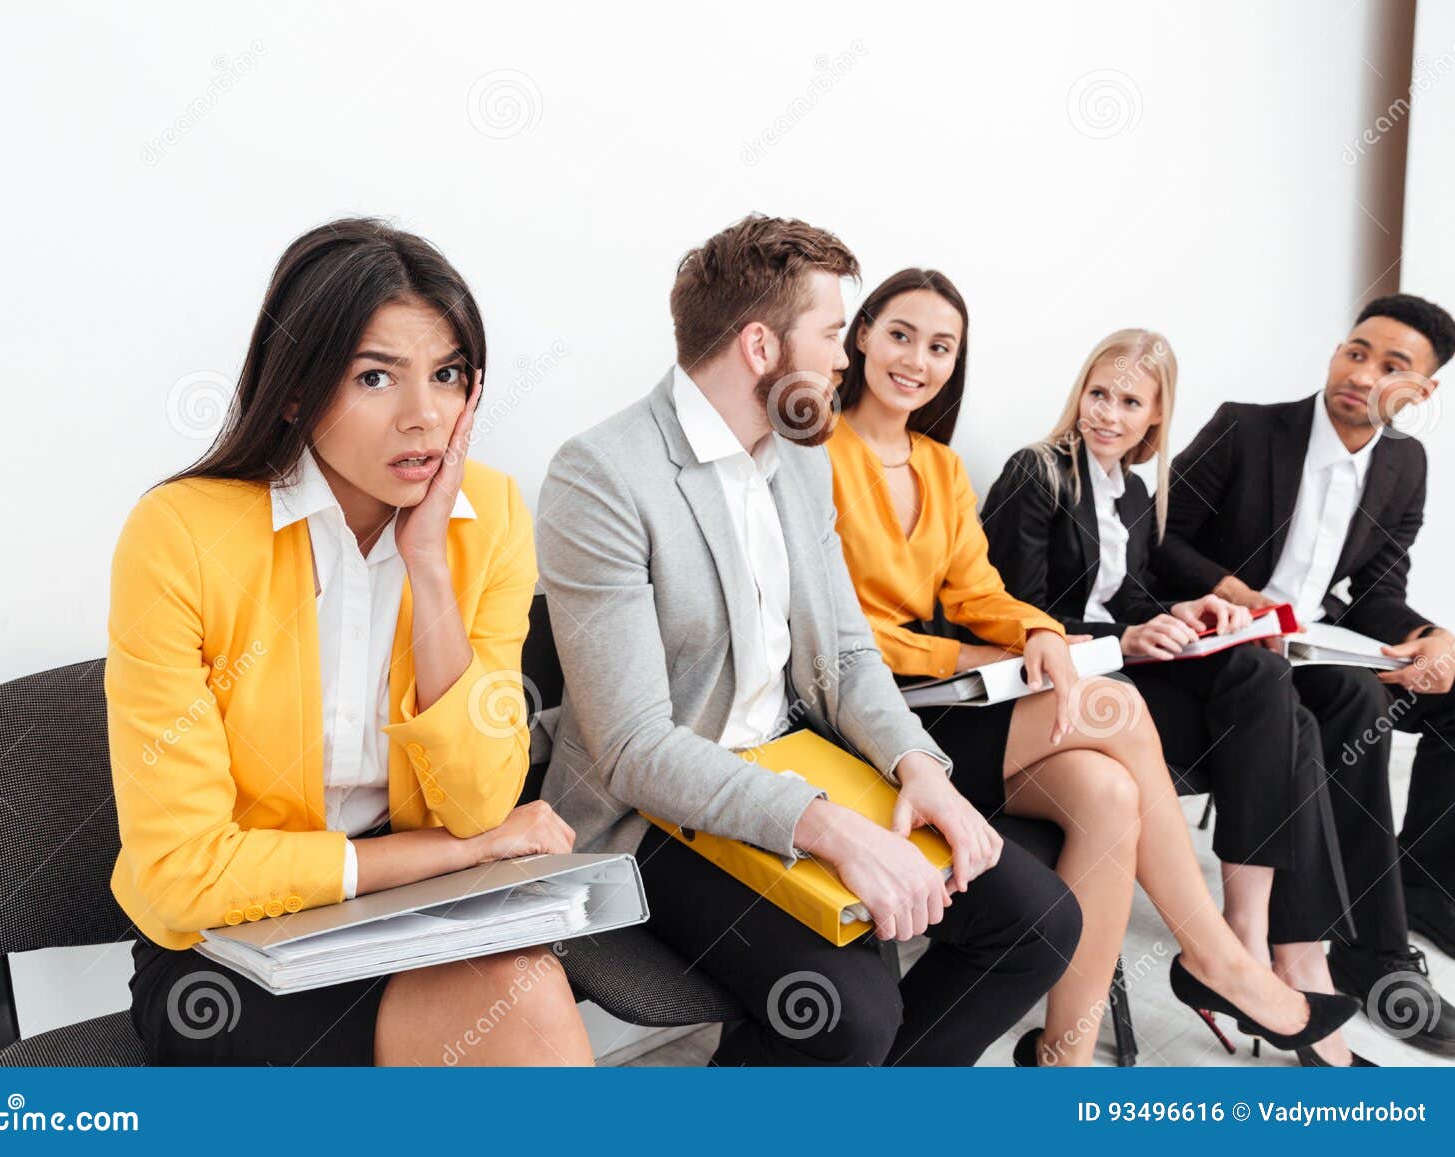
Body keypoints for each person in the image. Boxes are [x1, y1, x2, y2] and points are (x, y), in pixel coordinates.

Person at [537, 214, 1082, 1066]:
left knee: (1040, 920)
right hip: (655, 812)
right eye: (832, 333)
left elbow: (849, 654)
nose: (842, 358)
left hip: (796, 761)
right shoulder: (602, 474)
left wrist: (919, 769)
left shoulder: (800, 455)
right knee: (845, 1013)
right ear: (761, 347)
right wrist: (825, 826)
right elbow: (636, 749)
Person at [826, 268, 1357, 1066]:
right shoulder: (812, 455)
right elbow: (838, 632)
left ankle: (1063, 1061)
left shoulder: (937, 464)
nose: (917, 360)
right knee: (1115, 708)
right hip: (879, 708)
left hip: (956, 691)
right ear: (861, 334)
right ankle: (1216, 958)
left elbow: (978, 589)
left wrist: (1035, 631)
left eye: (941, 346)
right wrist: (985, 648)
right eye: (900, 335)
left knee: (1111, 793)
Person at [106, 218, 591, 1067]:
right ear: (294, 390)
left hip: (419, 913)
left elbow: (479, 799)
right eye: (377, 376)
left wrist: (430, 564)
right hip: (231, 946)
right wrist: (461, 851)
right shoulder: (179, 534)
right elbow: (185, 873)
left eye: (447, 376)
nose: (424, 416)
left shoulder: (492, 516)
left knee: (529, 1002)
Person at [980, 327, 1364, 1065]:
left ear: (1155, 416)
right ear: (1080, 391)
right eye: (1099, 393)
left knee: (1265, 679)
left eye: (1130, 401)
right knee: (1296, 732)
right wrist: (1123, 639)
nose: (1108, 414)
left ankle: (1247, 937)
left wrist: (1184, 612)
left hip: (1116, 676)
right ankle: (1249, 958)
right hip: (1058, 692)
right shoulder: (1037, 473)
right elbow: (1011, 614)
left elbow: (1128, 595)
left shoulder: (1132, 493)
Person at [1156, 293, 1455, 1057]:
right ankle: (1321, 952)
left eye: (1392, 367)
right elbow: (1159, 538)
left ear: (1422, 394)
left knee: (1395, 690)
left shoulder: (1402, 463)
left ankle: (1394, 931)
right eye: (1356, 351)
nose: (1361, 373)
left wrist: (1430, 635)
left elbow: (1377, 592)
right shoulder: (1248, 429)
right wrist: (1229, 589)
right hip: (1218, 646)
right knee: (1338, 697)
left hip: (1308, 647)